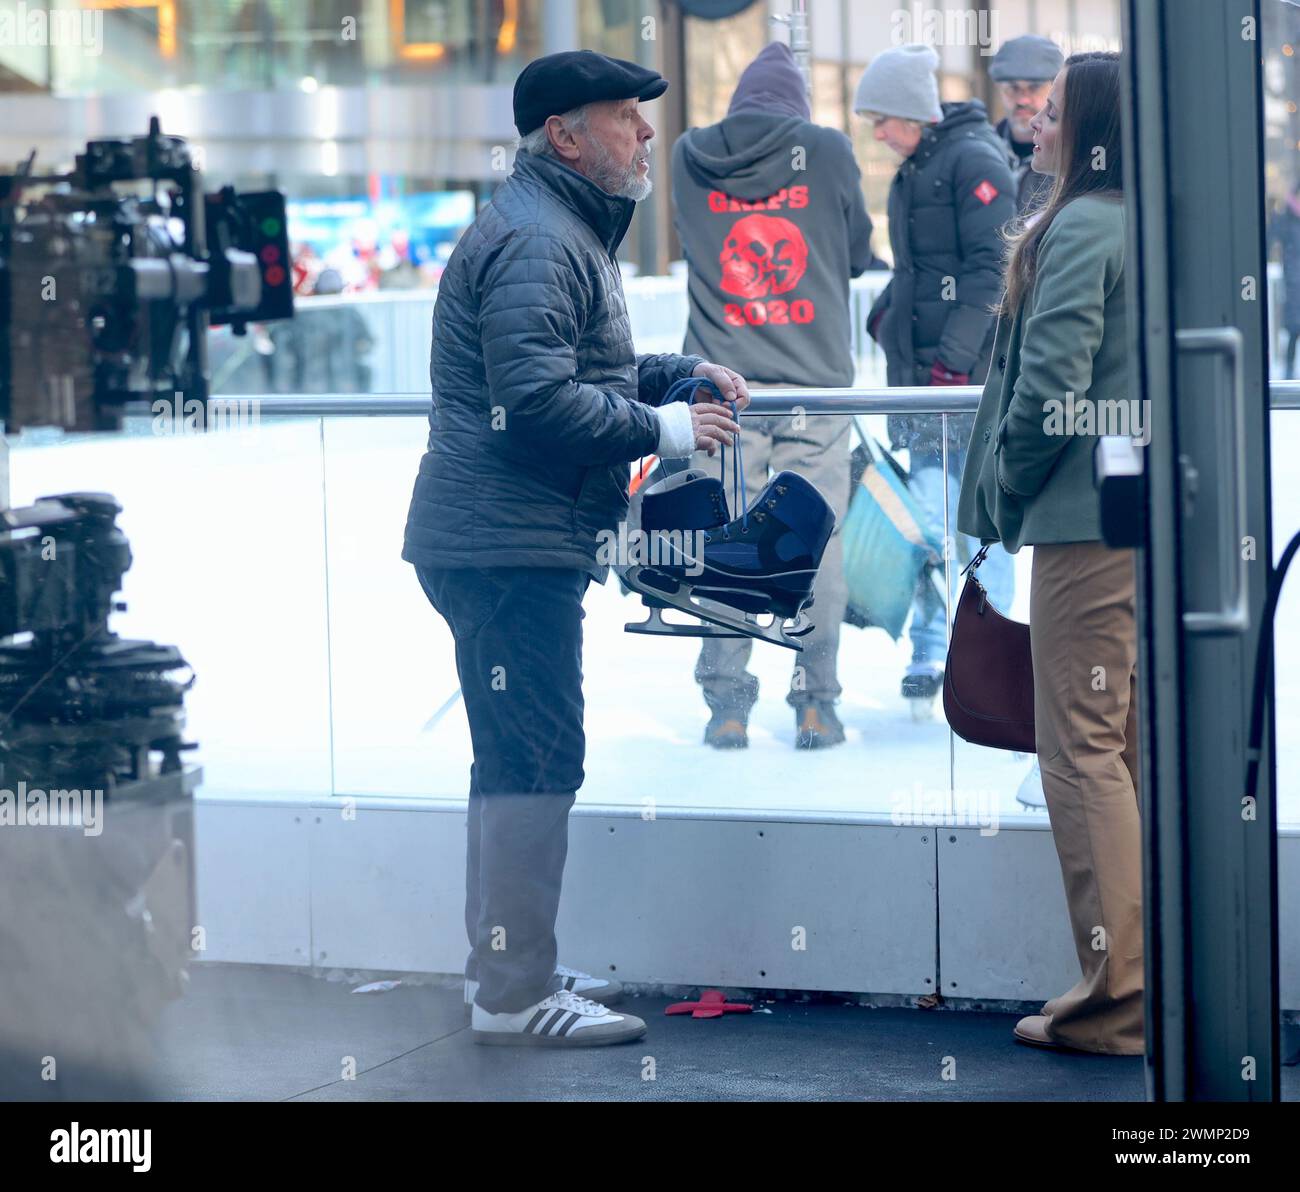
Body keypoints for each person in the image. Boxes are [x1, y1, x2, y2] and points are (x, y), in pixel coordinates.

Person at [401, 50, 751, 1047]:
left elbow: (580, 364)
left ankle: (509, 964)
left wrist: (676, 370)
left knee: (514, 753)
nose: (646, 134)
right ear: (565, 133)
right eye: (624, 118)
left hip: (507, 537)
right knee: (536, 755)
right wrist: (671, 429)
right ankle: (511, 996)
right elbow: (536, 404)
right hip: (503, 543)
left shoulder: (555, 228)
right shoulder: (537, 238)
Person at [957, 52, 1141, 1055]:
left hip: (1081, 524)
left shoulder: (1077, 226)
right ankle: (1155, 982)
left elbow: (1050, 389)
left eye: (1056, 110)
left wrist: (1013, 483)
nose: (1034, 120)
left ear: (1091, 127)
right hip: (1144, 517)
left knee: (1078, 752)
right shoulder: (1150, 221)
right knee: (1131, 748)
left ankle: (1116, 1000)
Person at [669, 41, 885, 750]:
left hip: (721, 392)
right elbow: (856, 251)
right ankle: (815, 703)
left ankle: (726, 706)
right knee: (812, 544)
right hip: (815, 394)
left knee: (725, 539)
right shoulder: (825, 151)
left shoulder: (688, 156)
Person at [854, 44, 1017, 711]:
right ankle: (929, 647)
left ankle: (993, 659)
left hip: (963, 385)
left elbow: (993, 268)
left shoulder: (972, 160)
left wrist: (953, 359)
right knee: (927, 525)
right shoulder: (918, 166)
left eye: (883, 118)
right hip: (927, 381)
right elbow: (921, 269)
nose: (877, 132)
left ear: (914, 114)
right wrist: (891, 314)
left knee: (976, 526)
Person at [989, 34, 1064, 215]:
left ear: (1056, 89)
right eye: (1013, 88)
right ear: (1000, 90)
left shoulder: (1069, 157)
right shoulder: (980, 151)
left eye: (1034, 87)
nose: (1022, 99)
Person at [1267, 182, 1300, 378]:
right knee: (1294, 331)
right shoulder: (1286, 219)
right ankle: (1288, 372)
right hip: (1294, 282)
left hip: (1295, 278)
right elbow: (1271, 238)